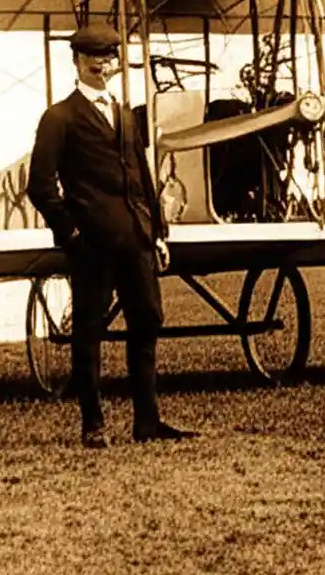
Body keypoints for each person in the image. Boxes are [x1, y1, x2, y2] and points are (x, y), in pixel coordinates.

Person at [26, 22, 199, 448]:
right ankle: (93, 425)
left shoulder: (125, 115)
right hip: (93, 247)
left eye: (108, 58)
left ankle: (147, 422)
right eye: (93, 58)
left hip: (137, 240)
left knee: (147, 323)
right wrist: (72, 235)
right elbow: (40, 186)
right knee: (88, 331)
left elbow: (140, 177)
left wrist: (156, 233)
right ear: (78, 62)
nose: (101, 65)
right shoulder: (59, 117)